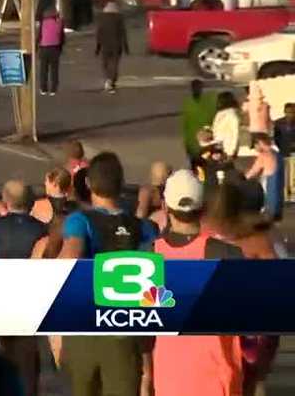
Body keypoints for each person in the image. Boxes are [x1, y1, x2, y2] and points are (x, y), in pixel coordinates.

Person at [58, 152, 158, 396]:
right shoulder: (144, 228)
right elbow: (153, 288)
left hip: (85, 331)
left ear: (89, 184)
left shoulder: (80, 221)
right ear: (122, 185)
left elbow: (69, 262)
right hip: (125, 332)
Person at [150, 169, 245, 396]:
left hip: (168, 380)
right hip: (219, 381)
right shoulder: (228, 255)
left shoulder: (149, 257)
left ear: (165, 208)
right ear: (202, 209)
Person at [0, 180, 48, 396]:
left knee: (1, 356)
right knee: (27, 362)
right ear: (30, 202)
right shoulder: (41, 230)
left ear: (5, 200)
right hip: (29, 303)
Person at [245, 133, 283, 220]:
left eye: (255, 146)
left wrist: (243, 178)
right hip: (277, 186)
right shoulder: (277, 154)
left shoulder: (264, 155)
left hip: (268, 181)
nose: (255, 149)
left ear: (259, 143)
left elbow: (254, 171)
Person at [181, 79, 219, 165]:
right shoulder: (188, 103)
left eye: (198, 87)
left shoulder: (208, 102)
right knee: (195, 166)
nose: (196, 89)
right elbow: (185, 124)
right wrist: (186, 142)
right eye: (194, 88)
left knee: (206, 165)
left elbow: (213, 120)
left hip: (205, 142)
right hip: (192, 142)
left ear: (201, 88)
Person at [94, 0, 129, 93]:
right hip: (117, 45)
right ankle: (111, 80)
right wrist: (126, 48)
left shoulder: (102, 18)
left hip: (105, 45)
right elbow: (123, 33)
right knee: (114, 64)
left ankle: (108, 80)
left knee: (105, 64)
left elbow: (99, 33)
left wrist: (97, 48)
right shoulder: (119, 18)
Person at [37, 8, 64, 96]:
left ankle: (43, 88)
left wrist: (37, 46)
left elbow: (39, 35)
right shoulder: (59, 23)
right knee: (54, 70)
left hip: (44, 47)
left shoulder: (43, 23)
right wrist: (61, 47)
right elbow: (62, 37)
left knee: (43, 70)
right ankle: (53, 89)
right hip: (55, 47)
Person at [213, 91, 243, 162]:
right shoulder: (229, 114)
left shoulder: (222, 114)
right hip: (225, 146)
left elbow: (235, 132)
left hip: (223, 146)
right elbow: (236, 132)